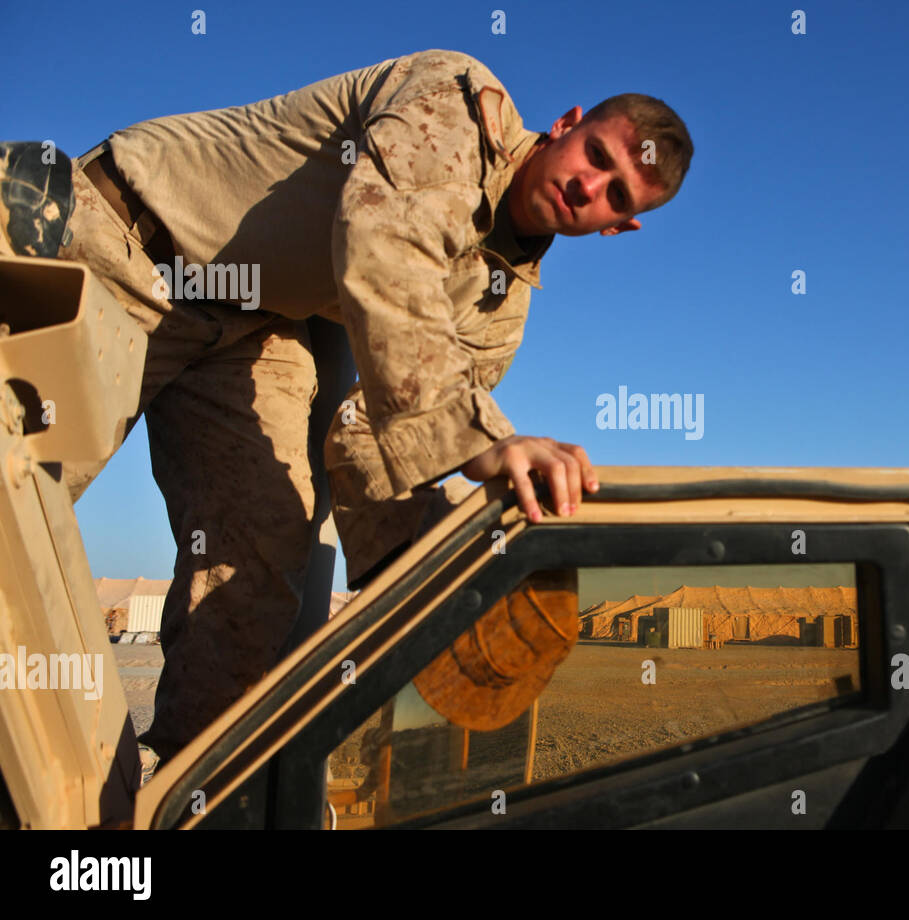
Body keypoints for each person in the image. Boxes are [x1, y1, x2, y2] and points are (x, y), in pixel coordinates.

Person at [0, 48, 693, 777]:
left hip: (252, 325)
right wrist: (485, 441)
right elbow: (386, 239)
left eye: (617, 195)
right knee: (18, 496)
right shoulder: (462, 99)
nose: (588, 187)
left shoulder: (497, 313)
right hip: (126, 240)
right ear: (567, 124)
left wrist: (428, 589)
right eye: (595, 155)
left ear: (620, 229)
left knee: (259, 563)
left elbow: (373, 433)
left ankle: (188, 796)